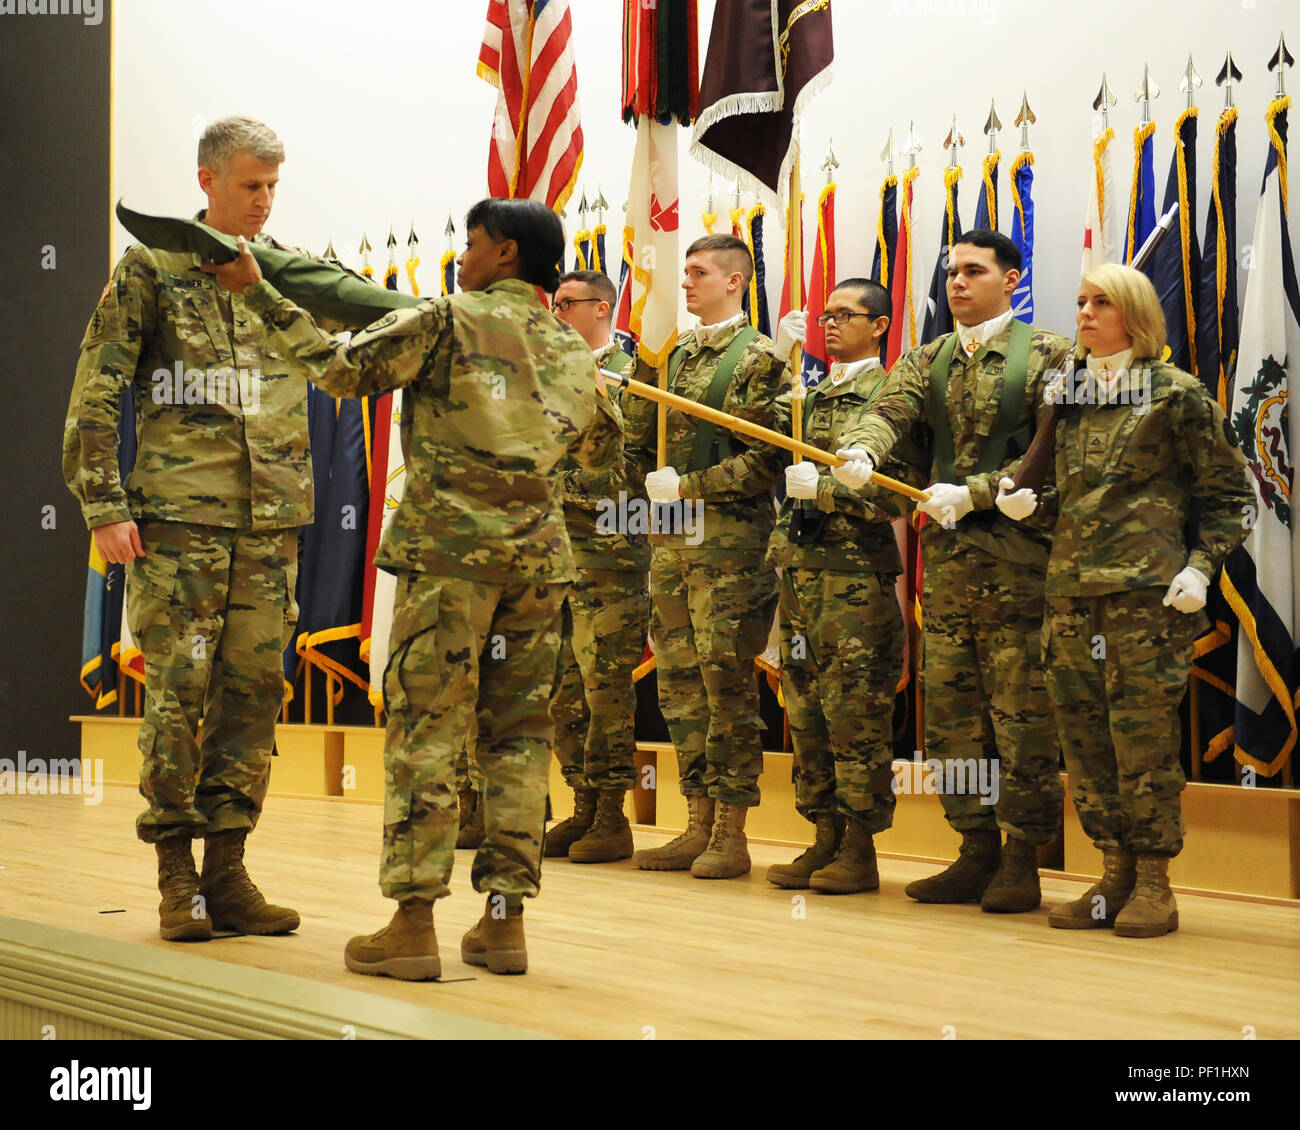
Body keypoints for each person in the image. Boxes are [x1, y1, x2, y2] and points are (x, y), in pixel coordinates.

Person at [204, 197, 622, 979]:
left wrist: (258, 291)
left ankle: (413, 925)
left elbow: (338, 371)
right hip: (538, 565)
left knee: (427, 734)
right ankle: (504, 926)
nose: (463, 255)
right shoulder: (573, 348)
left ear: (503, 252)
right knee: (520, 741)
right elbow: (604, 453)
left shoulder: (446, 318)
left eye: (471, 242)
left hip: (450, 561)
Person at [64, 116, 319, 943]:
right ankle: (177, 877)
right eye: (251, 185)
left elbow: (342, 360)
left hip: (272, 522)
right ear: (206, 180)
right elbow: (98, 388)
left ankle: (229, 872)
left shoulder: (279, 275)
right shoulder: (152, 268)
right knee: (179, 695)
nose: (264, 201)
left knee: (253, 695)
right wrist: (102, 502)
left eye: (273, 186)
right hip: (181, 522)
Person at [995, 264, 1252, 937]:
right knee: (1085, 744)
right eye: (1079, 301)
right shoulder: (1070, 394)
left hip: (1144, 598)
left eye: (1100, 302)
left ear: (1133, 315)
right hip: (1071, 593)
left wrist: (1200, 569)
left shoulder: (1175, 395)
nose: (1082, 313)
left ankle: (1155, 883)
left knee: (1142, 743)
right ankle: (1112, 874)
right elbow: (1072, 500)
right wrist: (1031, 505)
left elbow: (1230, 497)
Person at [834, 229, 1068, 913]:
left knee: (1022, 720)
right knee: (955, 722)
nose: (956, 283)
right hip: (950, 570)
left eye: (973, 271)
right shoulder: (927, 357)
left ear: (1012, 280)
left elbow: (1063, 460)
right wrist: (861, 453)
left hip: (1022, 569)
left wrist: (978, 492)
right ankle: (975, 849)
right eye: (950, 272)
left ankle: (1023, 856)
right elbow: (888, 412)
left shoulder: (1053, 354)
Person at [621, 235, 788, 879]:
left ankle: (732, 830)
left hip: (731, 543)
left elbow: (768, 456)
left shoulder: (760, 358)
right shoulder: (669, 352)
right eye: (683, 273)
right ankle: (694, 821)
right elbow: (638, 438)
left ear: (736, 281)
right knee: (678, 681)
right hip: (669, 544)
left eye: (698, 273)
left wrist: (688, 486)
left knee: (725, 681)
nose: (685, 284)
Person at [765, 279, 927, 892]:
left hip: (854, 575)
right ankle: (823, 835)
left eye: (843, 315)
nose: (828, 325)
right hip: (800, 571)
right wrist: (779, 354)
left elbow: (904, 487)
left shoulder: (891, 396)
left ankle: (860, 847)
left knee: (855, 710)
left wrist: (828, 489)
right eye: (823, 316)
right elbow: (753, 423)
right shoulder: (807, 392)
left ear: (880, 325)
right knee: (804, 706)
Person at [545, 270, 650, 863]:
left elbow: (631, 467)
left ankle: (613, 815)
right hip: (550, 553)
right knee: (562, 690)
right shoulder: (545, 372)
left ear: (602, 308)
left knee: (604, 686)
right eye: (554, 303)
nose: (557, 312)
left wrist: (558, 488)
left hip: (610, 554)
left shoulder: (633, 375)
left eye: (568, 303)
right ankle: (581, 804)